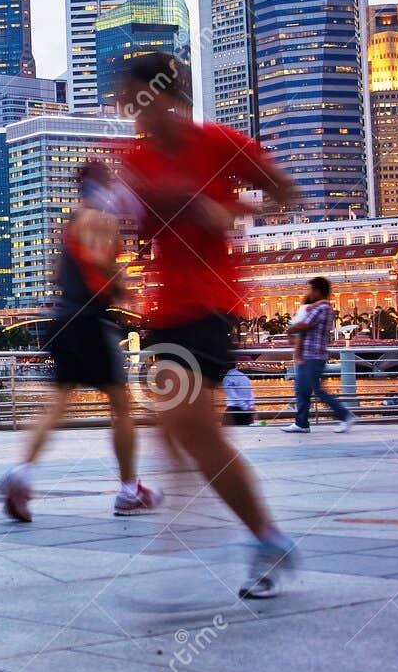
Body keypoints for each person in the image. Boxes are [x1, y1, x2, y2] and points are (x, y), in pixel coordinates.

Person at [117, 50, 301, 599]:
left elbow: (285, 191)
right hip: (162, 311)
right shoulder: (136, 159)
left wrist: (229, 212)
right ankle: (201, 518)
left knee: (196, 430)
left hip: (210, 304)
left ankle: (265, 537)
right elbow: (130, 224)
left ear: (169, 99)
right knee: (177, 424)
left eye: (137, 100)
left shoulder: (219, 144)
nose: (131, 111)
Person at [0, 162, 161, 523]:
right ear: (105, 185)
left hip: (63, 318)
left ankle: (21, 474)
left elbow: (57, 274)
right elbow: (101, 263)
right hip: (92, 320)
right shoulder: (100, 220)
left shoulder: (70, 222)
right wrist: (124, 290)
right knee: (121, 405)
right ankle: (130, 491)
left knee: (57, 403)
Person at [282, 277, 356, 434]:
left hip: (313, 355)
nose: (310, 293)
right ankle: (301, 423)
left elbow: (304, 324)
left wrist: (290, 329)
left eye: (312, 290)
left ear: (318, 291)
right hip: (308, 354)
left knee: (317, 389)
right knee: (301, 389)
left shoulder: (322, 309)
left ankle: (345, 415)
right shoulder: (321, 307)